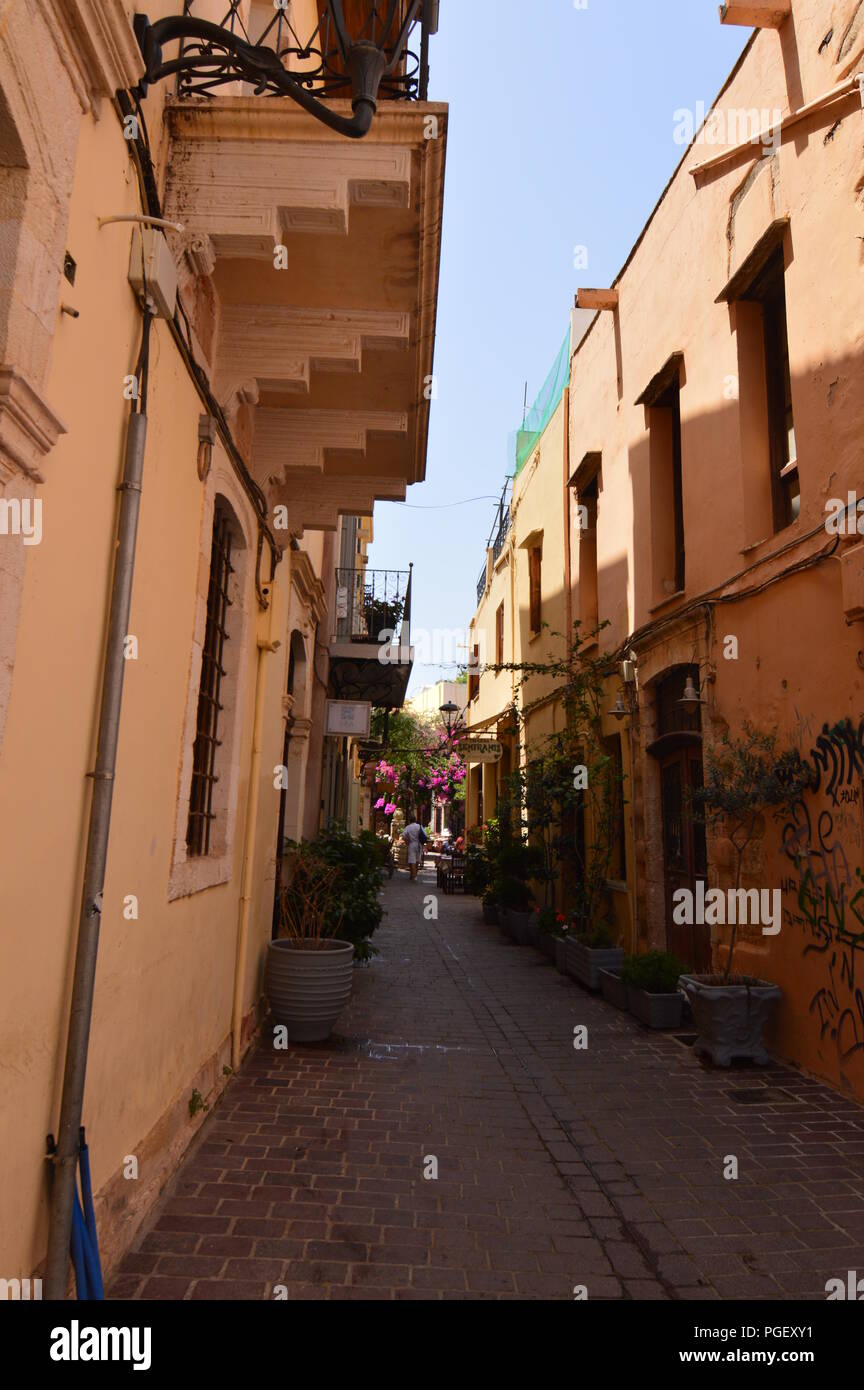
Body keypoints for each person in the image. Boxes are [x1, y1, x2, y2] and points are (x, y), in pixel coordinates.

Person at [401, 815, 426, 881]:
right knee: (417, 860)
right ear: (415, 820)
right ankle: (415, 875)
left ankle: (413, 875)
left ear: (410, 820)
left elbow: (403, 835)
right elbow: (425, 835)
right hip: (419, 845)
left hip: (411, 844)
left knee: (412, 860)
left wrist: (407, 840)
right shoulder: (419, 826)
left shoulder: (408, 827)